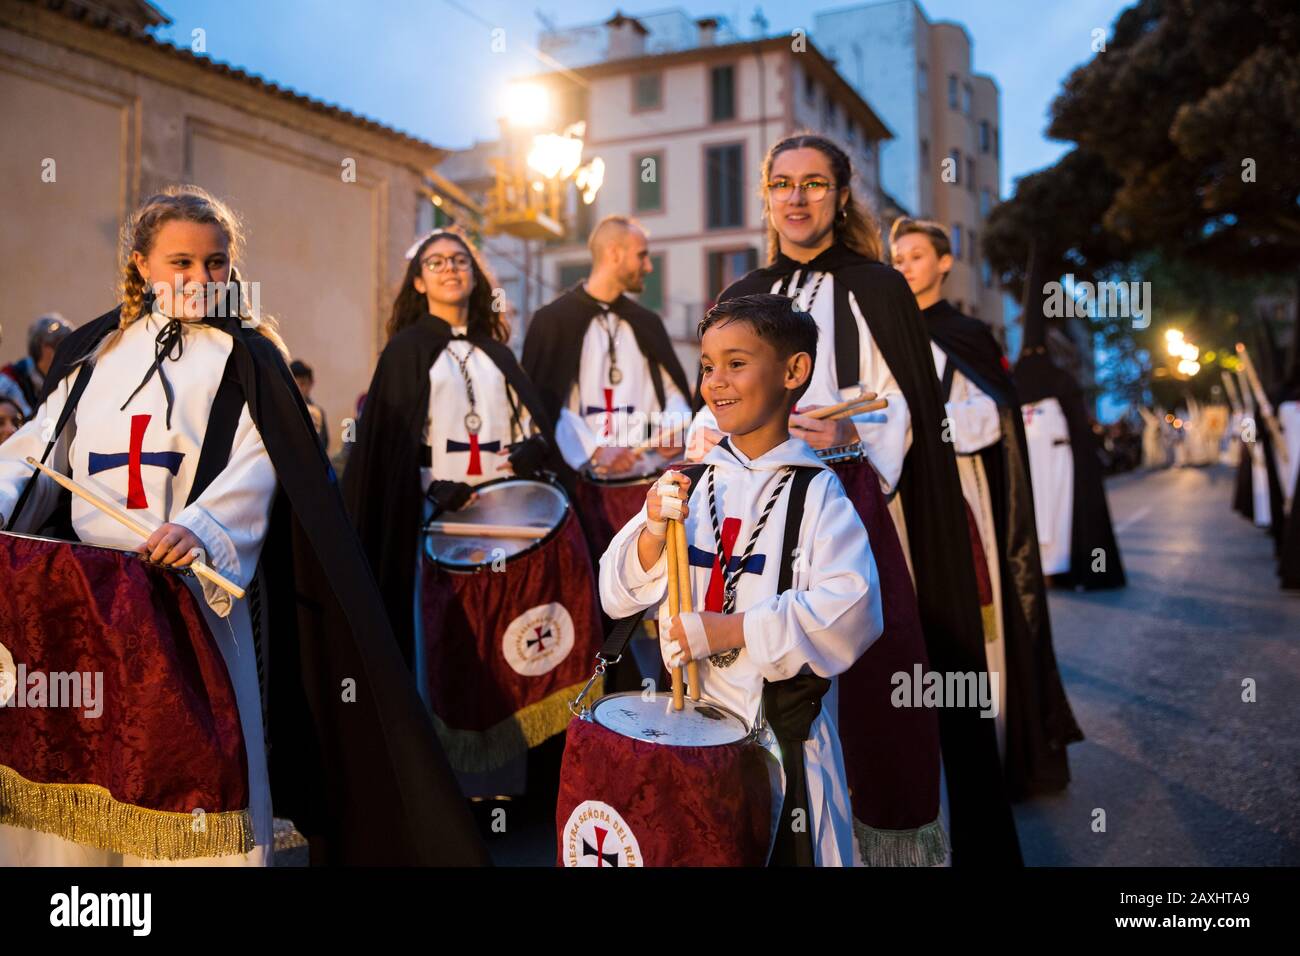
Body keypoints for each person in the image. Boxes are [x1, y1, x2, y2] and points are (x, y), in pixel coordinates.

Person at [0, 186, 485, 866]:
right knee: (87, 764)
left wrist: (203, 526)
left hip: (190, 593)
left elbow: (265, 461)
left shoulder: (250, 355)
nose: (200, 279)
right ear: (141, 264)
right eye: (180, 262)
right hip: (89, 598)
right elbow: (38, 445)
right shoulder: (96, 349)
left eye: (216, 263)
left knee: (190, 771)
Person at [693, 133, 1017, 865]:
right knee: (761, 669)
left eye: (813, 183)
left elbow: (906, 408)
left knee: (858, 681)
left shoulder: (880, 287)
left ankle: (864, 844)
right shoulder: (742, 296)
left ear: (841, 196)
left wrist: (850, 433)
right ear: (766, 196)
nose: (797, 197)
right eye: (782, 184)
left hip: (861, 507)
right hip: (759, 514)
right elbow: (711, 402)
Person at [600, 293, 882, 866]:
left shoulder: (818, 492)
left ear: (794, 371)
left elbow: (853, 608)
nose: (716, 382)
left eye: (736, 362)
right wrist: (652, 534)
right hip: (683, 735)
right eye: (707, 366)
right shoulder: (691, 481)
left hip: (778, 744)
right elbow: (614, 593)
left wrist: (732, 631)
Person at [341, 226, 561, 796]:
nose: (448, 268)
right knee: (449, 651)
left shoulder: (496, 352)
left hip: (505, 523)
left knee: (504, 643)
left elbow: (529, 425)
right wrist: (427, 485)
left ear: (474, 274)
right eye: (435, 262)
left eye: (459, 259)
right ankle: (453, 785)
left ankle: (508, 780)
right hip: (437, 532)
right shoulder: (405, 352)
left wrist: (537, 446)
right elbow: (392, 452)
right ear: (418, 281)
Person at [892, 217, 1083, 798]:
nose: (904, 266)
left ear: (945, 264)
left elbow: (990, 419)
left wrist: (919, 424)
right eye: (896, 257)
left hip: (962, 494)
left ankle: (989, 751)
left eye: (916, 256)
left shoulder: (967, 333)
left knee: (978, 626)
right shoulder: (882, 334)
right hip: (899, 496)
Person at [524, 215, 691, 477]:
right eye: (641, 255)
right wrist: (594, 450)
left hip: (647, 480)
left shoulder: (647, 322)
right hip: (581, 485)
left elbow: (673, 392)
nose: (648, 267)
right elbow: (544, 404)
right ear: (614, 254)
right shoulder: (552, 321)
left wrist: (671, 430)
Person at [1015, 249, 1126, 590]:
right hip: (1032, 464)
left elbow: (1078, 428)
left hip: (1061, 461)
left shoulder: (1063, 381)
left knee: (1063, 517)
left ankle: (1073, 565)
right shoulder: (1016, 380)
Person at [0, 314, 74, 417]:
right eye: (59, 345)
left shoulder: (66, 380)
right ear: (43, 347)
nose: (66, 353)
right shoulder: (8, 382)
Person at [290, 358, 329, 449]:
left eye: (303, 383)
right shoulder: (285, 411)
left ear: (311, 383)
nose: (299, 388)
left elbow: (324, 443)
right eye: (295, 384)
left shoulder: (319, 412)